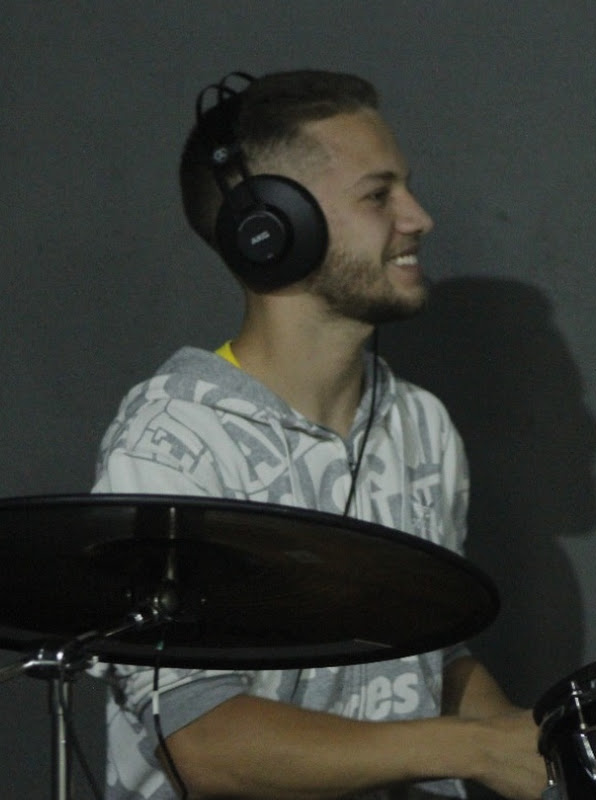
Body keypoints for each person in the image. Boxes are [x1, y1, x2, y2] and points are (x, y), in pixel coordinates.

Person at [90, 69, 547, 800]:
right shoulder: (172, 439)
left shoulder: (420, 425)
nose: (419, 218)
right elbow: (202, 744)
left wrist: (536, 747)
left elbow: (435, 659)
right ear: (271, 228)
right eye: (378, 195)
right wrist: (472, 749)